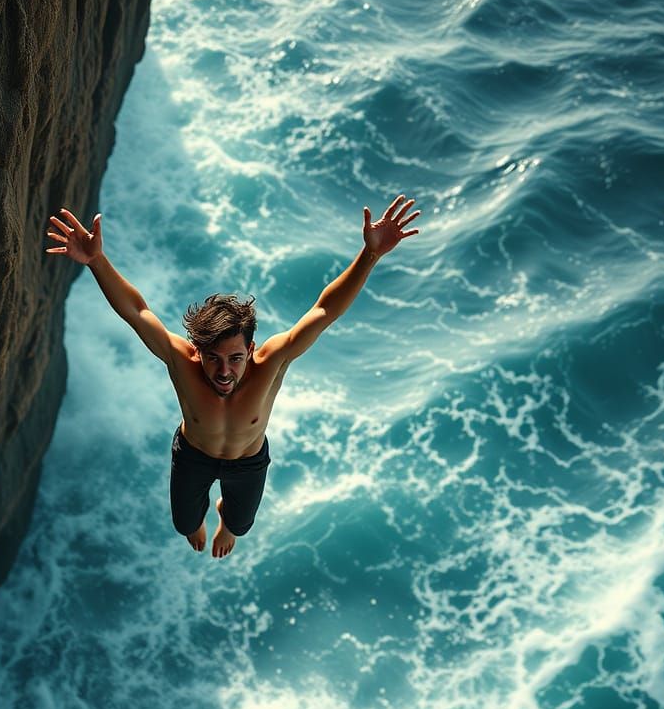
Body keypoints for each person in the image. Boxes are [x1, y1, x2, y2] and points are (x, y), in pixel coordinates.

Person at [46, 195, 420, 558]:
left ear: (252, 349)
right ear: (197, 351)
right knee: (185, 524)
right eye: (214, 359)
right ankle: (199, 520)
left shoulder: (272, 362)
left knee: (239, 526)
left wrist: (369, 255)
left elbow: (325, 311)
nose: (225, 371)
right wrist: (97, 261)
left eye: (236, 358)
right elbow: (137, 311)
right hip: (194, 455)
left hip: (248, 461)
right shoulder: (181, 361)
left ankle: (225, 520)